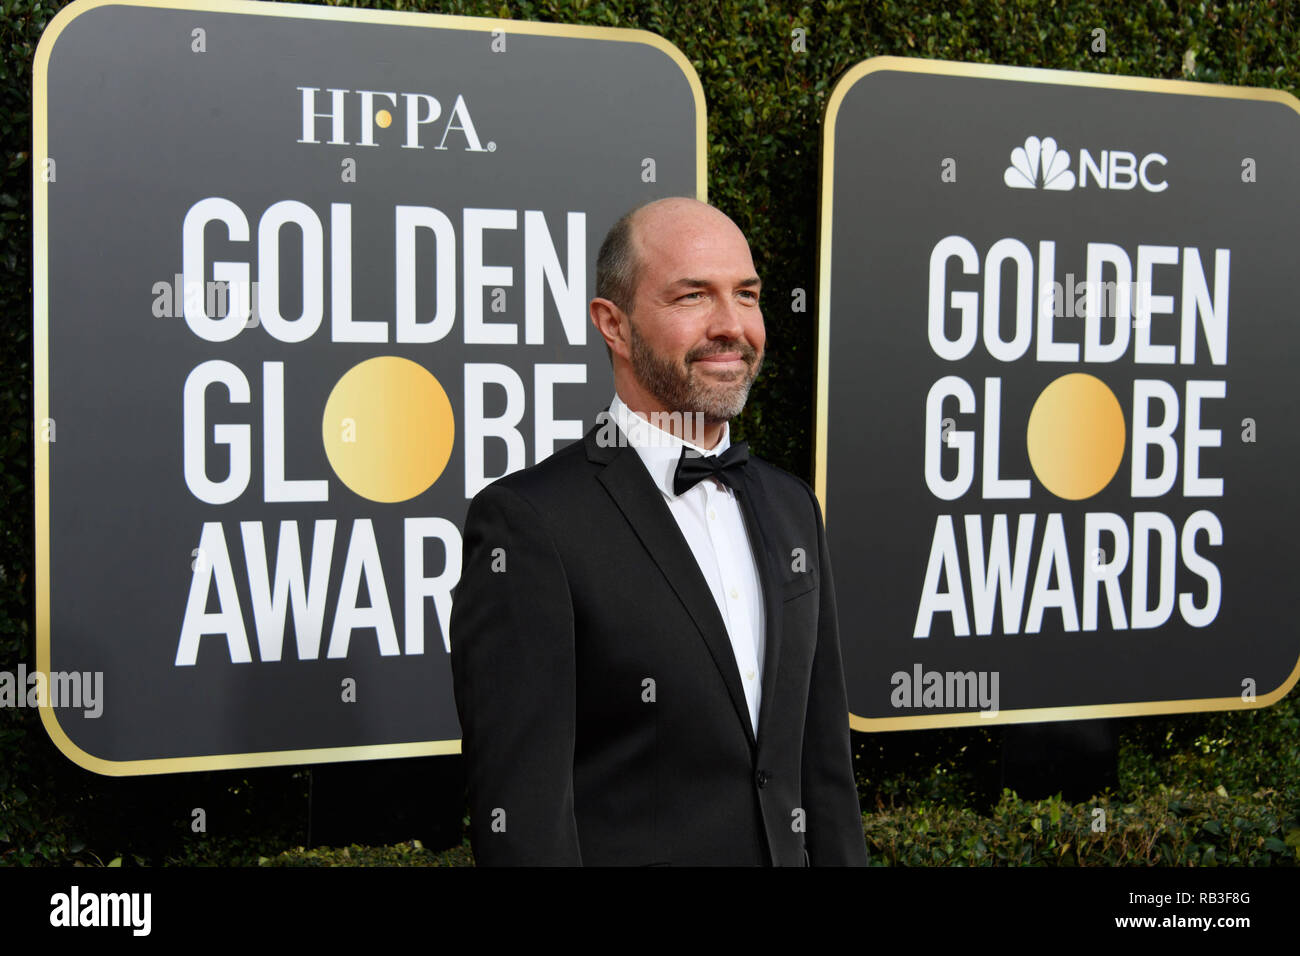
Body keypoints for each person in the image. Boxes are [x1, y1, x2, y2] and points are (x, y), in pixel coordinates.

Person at [449, 196, 867, 866]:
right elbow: (525, 821)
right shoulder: (531, 524)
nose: (732, 325)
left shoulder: (793, 509)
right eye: (693, 296)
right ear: (613, 324)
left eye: (748, 295)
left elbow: (823, 774)